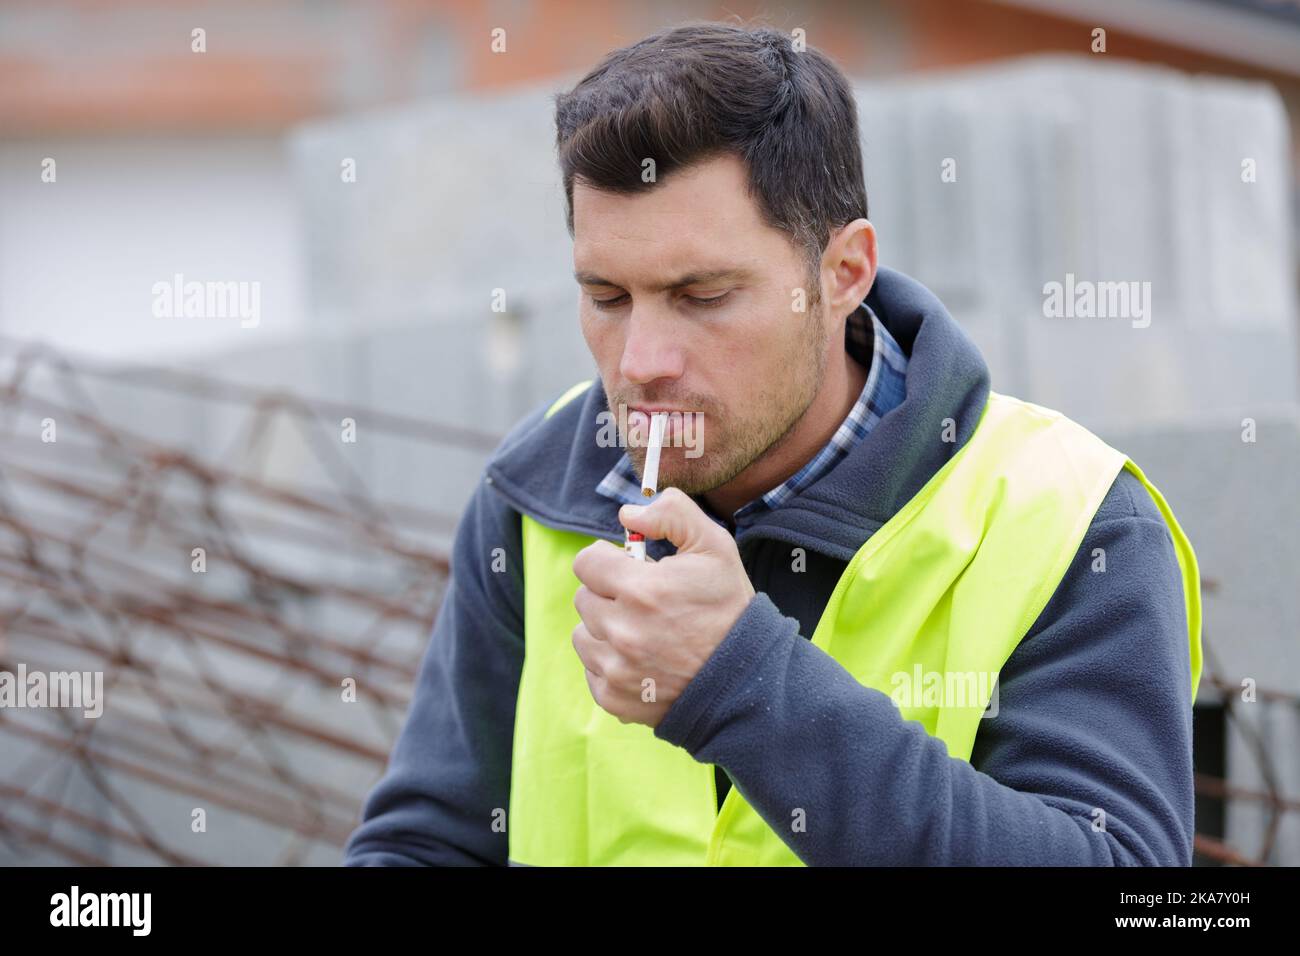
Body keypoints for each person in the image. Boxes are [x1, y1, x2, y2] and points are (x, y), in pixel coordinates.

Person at [344, 20, 1201, 866]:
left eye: (704, 295)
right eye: (607, 297)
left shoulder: (1072, 522)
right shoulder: (533, 493)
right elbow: (428, 844)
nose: (642, 364)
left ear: (843, 274)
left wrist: (741, 681)